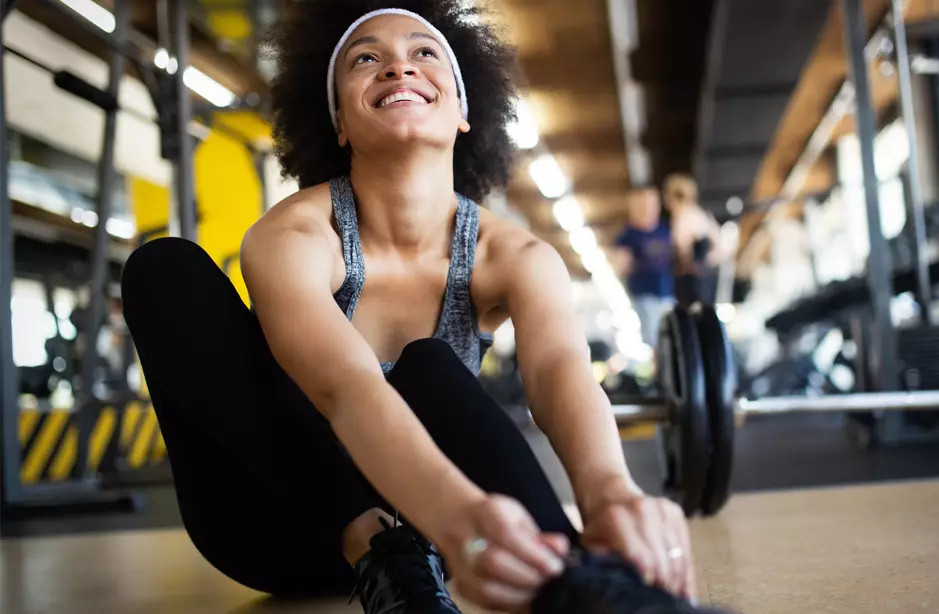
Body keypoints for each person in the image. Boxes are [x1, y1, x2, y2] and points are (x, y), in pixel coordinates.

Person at [120, 2, 717, 613]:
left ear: (462, 110)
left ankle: (579, 589)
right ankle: (375, 549)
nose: (398, 68)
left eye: (424, 53)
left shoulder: (514, 254)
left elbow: (558, 371)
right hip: (282, 528)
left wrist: (610, 494)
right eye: (367, 59)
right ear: (339, 123)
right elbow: (346, 389)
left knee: (429, 362)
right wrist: (463, 518)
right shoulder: (295, 236)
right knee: (163, 268)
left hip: (442, 527)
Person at [613, 187, 674, 349]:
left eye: (651, 204)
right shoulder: (628, 235)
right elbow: (620, 265)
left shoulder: (666, 230)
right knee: (656, 339)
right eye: (643, 204)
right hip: (644, 296)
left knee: (671, 336)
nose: (647, 208)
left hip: (667, 293)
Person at [662, 173, 724, 308]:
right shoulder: (700, 214)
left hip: (693, 280)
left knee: (693, 315)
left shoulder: (686, 216)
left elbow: (685, 248)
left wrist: (695, 263)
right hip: (704, 276)